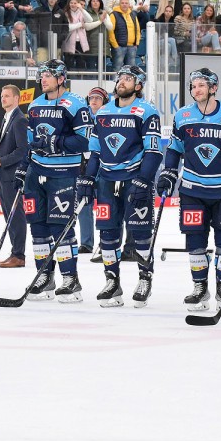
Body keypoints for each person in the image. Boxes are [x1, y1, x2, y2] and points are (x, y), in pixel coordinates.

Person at [159, 67, 221, 313]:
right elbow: (174, 149)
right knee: (194, 239)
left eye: (201, 85)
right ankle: (199, 287)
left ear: (213, 88)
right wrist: (169, 172)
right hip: (192, 190)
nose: (196, 90)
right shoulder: (182, 116)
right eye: (193, 86)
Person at [16, 59, 97, 304]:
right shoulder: (35, 104)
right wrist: (23, 166)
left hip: (64, 173)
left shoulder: (75, 104)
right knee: (38, 228)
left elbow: (86, 141)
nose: (43, 79)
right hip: (36, 173)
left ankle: (70, 279)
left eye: (48, 75)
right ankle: (44, 277)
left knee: (60, 228)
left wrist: (56, 143)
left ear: (61, 78)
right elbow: (31, 142)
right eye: (41, 75)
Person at [84, 64, 162, 306]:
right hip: (107, 180)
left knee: (140, 232)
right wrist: (88, 178)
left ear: (138, 85)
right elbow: (95, 152)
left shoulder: (147, 111)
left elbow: (153, 151)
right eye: (120, 78)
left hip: (133, 179)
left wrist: (144, 179)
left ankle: (144, 279)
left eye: (128, 79)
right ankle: (112, 281)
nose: (122, 82)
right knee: (107, 233)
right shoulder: (104, 112)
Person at [0, 83, 30, 269]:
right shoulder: (7, 118)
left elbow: (23, 150)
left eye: (7, 96)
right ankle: (15, 251)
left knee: (15, 215)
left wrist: (2, 161)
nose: (3, 99)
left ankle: (19, 255)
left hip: (12, 175)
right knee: (9, 215)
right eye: (2, 96)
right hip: (4, 174)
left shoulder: (19, 120)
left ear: (16, 98)